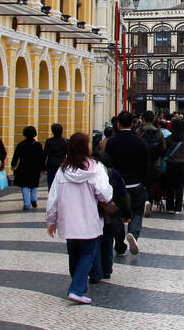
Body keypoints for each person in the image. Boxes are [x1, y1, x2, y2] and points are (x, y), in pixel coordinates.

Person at [46, 132, 114, 304]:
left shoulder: (63, 170)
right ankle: (77, 289)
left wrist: (51, 220)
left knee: (74, 254)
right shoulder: (96, 168)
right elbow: (105, 194)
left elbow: (53, 197)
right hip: (88, 221)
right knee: (87, 254)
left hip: (68, 222)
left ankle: (75, 285)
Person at [105, 111, 149, 255]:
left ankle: (119, 243)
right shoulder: (140, 142)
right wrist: (144, 182)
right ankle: (133, 233)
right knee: (137, 211)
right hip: (135, 183)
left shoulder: (111, 142)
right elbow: (145, 165)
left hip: (117, 185)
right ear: (132, 124)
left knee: (117, 215)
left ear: (118, 124)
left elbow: (108, 163)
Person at [91, 133, 131, 283]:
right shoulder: (114, 173)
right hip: (111, 212)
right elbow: (123, 194)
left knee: (96, 240)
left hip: (95, 212)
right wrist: (127, 212)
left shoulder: (91, 174)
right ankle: (107, 269)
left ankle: (96, 270)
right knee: (108, 241)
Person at [10, 126, 45, 211]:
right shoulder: (38, 145)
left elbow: (16, 156)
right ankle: (33, 199)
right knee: (34, 184)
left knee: (24, 185)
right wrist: (42, 168)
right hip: (35, 168)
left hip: (23, 167)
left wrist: (13, 165)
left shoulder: (21, 144)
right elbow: (42, 158)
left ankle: (26, 203)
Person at [159, 118, 184, 214]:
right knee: (180, 186)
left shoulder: (168, 139)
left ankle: (170, 206)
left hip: (171, 164)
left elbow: (163, 151)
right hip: (183, 164)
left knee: (170, 186)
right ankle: (178, 208)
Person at [138, 110, 165, 215]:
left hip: (141, 163)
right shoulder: (159, 132)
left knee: (141, 184)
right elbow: (163, 147)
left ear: (143, 119)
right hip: (155, 163)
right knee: (152, 185)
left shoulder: (139, 131)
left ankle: (143, 202)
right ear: (153, 119)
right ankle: (149, 201)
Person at [43, 124, 67, 191]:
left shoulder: (49, 141)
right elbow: (69, 153)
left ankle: (51, 193)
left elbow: (45, 154)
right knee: (62, 180)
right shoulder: (65, 141)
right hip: (62, 163)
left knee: (51, 180)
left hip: (51, 163)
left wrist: (43, 166)